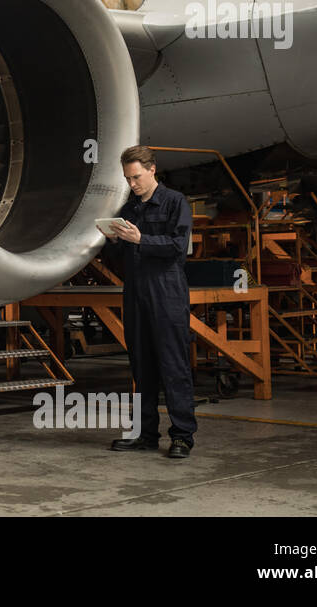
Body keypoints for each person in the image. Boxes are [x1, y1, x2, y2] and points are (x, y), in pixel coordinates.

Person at [98, 145, 197, 459]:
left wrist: (142, 240)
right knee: (141, 367)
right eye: (128, 178)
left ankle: (182, 437)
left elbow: (178, 247)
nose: (133, 184)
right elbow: (119, 257)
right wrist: (111, 240)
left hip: (166, 290)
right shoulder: (129, 210)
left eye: (137, 176)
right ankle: (145, 434)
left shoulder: (174, 202)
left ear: (153, 169)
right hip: (136, 291)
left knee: (173, 365)